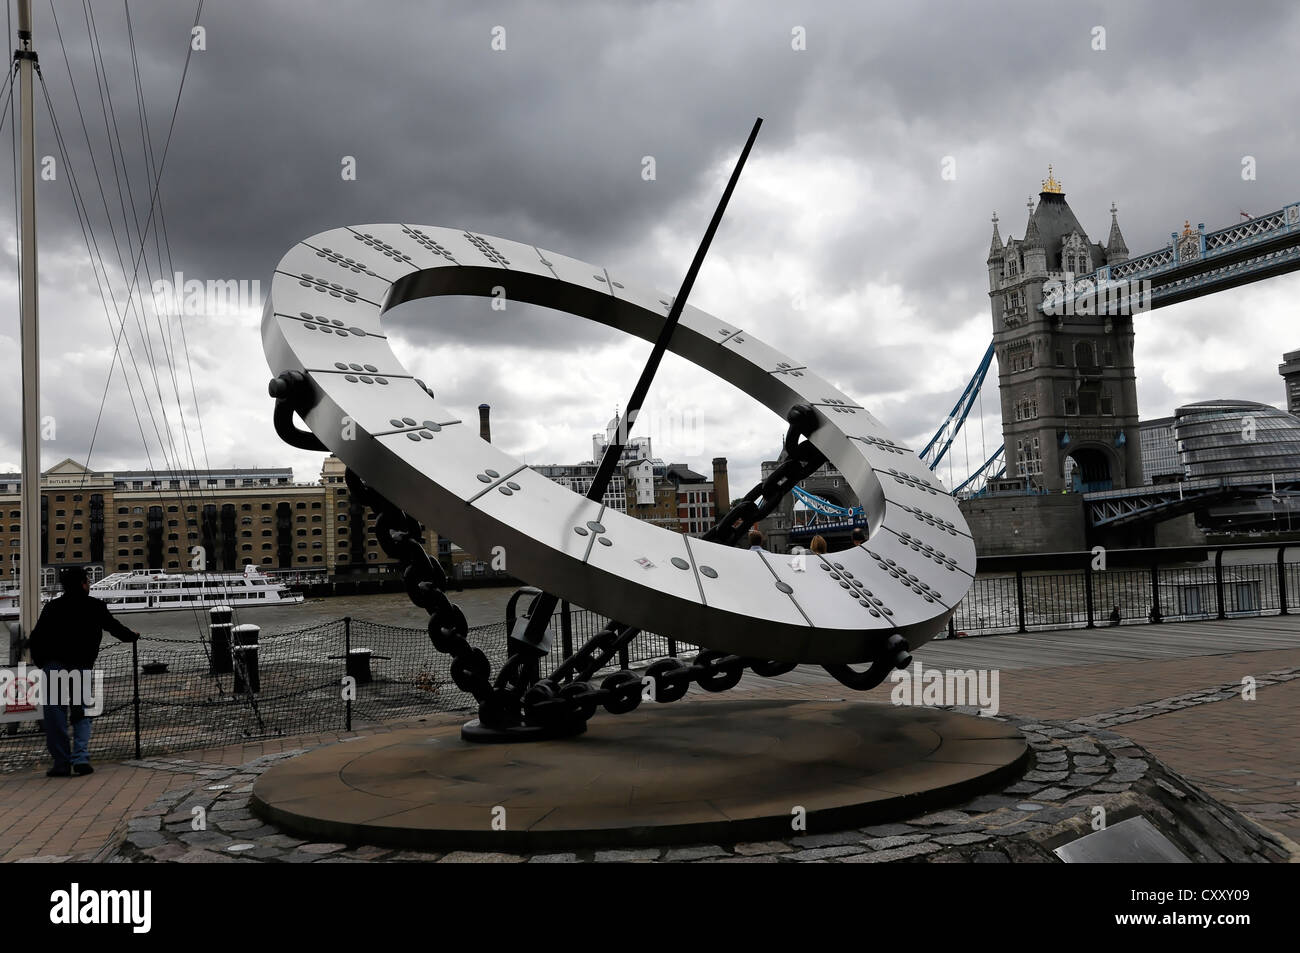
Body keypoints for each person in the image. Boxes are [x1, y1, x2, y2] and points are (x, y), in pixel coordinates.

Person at [29, 567, 140, 777]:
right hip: (81, 665)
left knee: (55, 715)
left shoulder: (53, 607)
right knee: (82, 713)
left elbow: (37, 637)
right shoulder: (94, 606)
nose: (89, 585)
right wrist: (131, 636)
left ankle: (61, 762)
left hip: (54, 666)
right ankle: (80, 758)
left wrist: (43, 662)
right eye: (87, 581)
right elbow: (114, 627)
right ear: (82, 584)